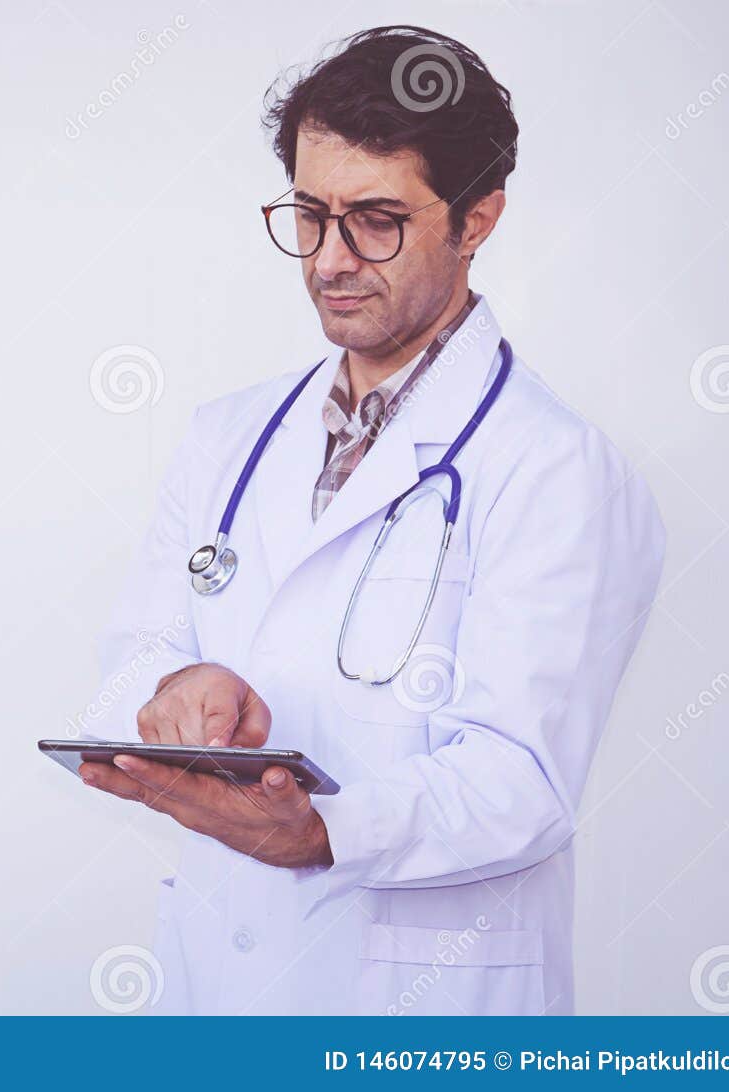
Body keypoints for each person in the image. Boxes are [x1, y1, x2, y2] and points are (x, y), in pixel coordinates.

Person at [79, 25, 665, 1015]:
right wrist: (175, 688)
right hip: (214, 991)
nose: (331, 259)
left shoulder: (554, 467)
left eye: (377, 219)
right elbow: (132, 659)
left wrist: (321, 830)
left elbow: (519, 779)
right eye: (309, 214)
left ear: (477, 217)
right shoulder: (224, 437)